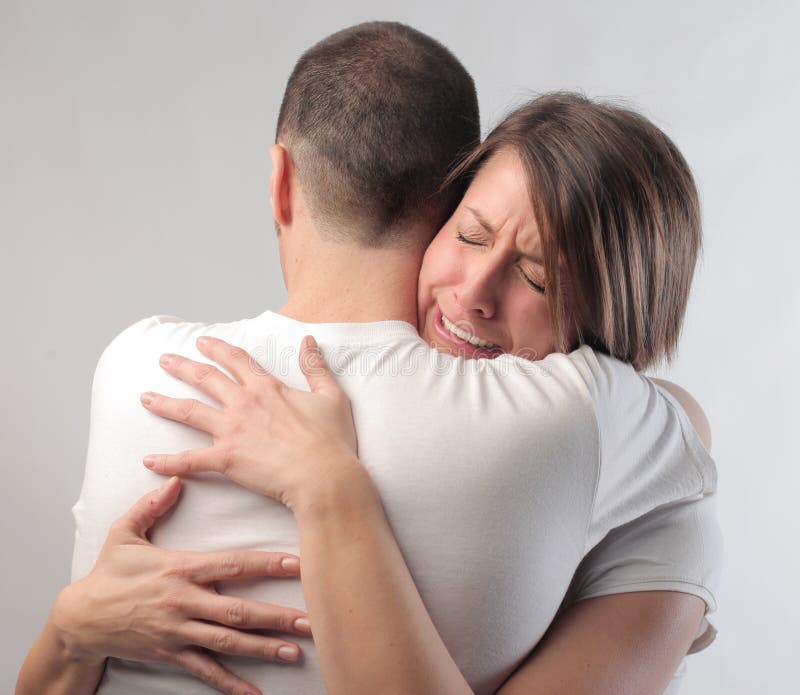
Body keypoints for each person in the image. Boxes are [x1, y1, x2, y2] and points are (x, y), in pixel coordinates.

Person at [16, 21, 721, 695]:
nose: (474, 292)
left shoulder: (139, 366)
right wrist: (74, 627)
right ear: (438, 207)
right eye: (470, 233)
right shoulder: (603, 442)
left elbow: (671, 424)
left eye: (539, 278)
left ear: (280, 182)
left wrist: (327, 484)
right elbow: (680, 424)